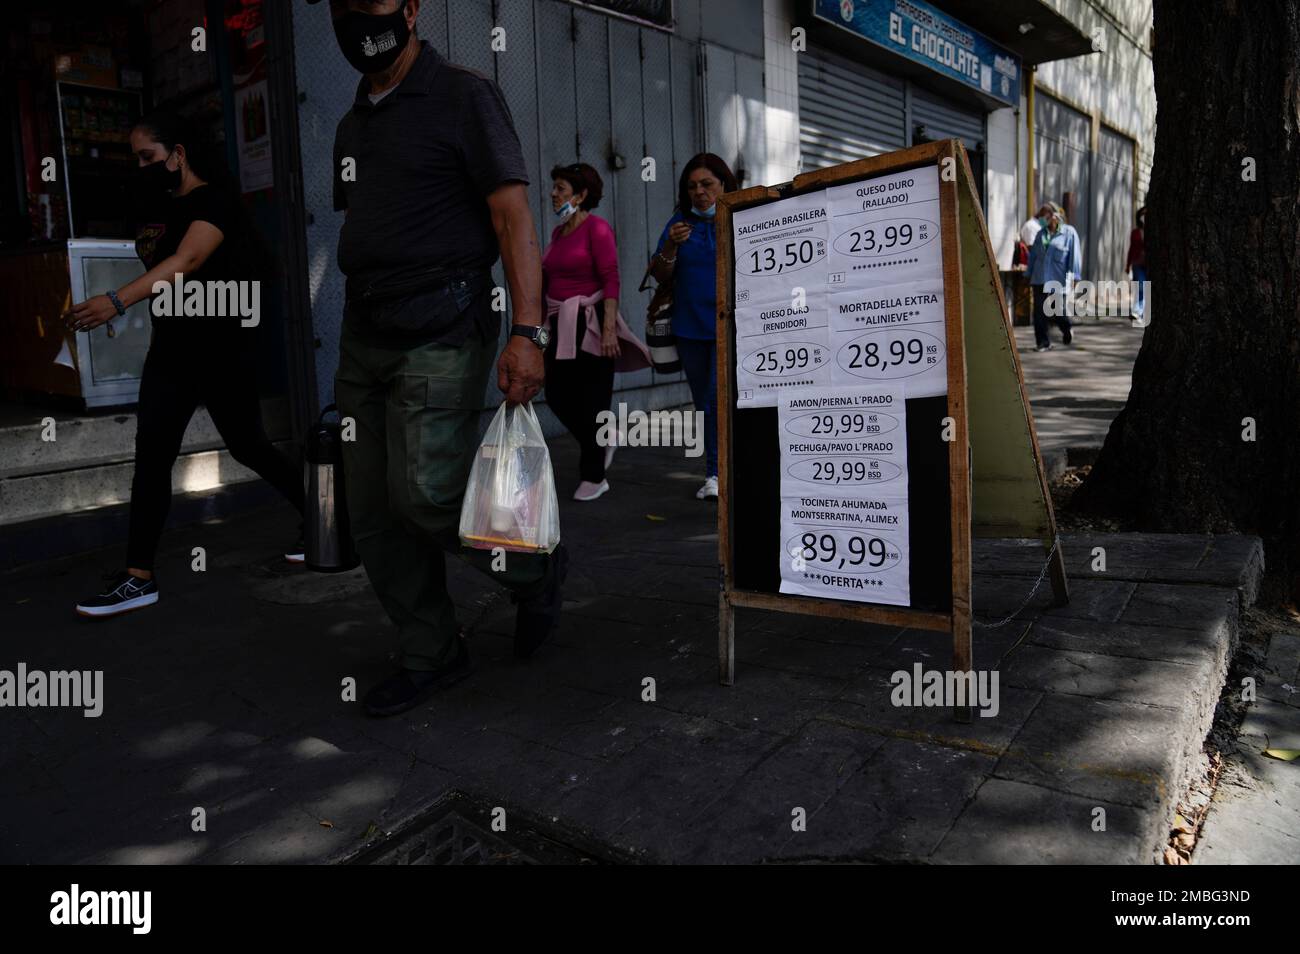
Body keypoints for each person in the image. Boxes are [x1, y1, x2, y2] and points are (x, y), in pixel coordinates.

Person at [314, 0, 566, 716]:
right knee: (372, 512)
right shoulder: (351, 125)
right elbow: (364, 222)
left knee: (425, 493)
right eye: (347, 5)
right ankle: (432, 650)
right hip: (366, 334)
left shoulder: (463, 95)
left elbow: (512, 215)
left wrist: (528, 331)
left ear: (414, 8)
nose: (363, 16)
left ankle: (534, 568)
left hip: (443, 323)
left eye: (378, 1)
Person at [70, 110, 305, 618]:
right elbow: (161, 267)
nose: (141, 166)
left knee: (249, 446)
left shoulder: (215, 201)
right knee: (152, 454)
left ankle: (327, 518)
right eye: (136, 158)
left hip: (219, 346)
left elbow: (188, 262)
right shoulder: (161, 204)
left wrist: (117, 301)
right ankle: (138, 577)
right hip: (172, 348)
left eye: (148, 156)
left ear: (179, 155)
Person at [541, 162, 650, 501]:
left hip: (592, 318)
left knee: (593, 397)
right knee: (557, 393)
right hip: (560, 321)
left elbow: (611, 278)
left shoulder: (598, 229)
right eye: (554, 187)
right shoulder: (559, 233)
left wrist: (607, 330)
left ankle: (594, 476)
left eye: (560, 188)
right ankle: (605, 438)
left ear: (581, 194)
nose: (553, 194)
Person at [649, 153, 737, 500]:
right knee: (703, 403)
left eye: (707, 184)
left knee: (719, 399)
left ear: (724, 185)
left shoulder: (739, 218)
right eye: (692, 186)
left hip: (729, 328)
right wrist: (671, 244)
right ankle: (718, 468)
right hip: (689, 329)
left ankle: (717, 473)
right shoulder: (679, 224)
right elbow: (658, 274)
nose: (699, 192)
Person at [1026, 201, 1082, 352]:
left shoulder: (1069, 233)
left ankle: (1066, 328)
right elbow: (1033, 257)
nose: (1043, 217)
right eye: (1043, 214)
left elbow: (1075, 255)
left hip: (1057, 279)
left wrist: (1076, 276)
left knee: (1057, 311)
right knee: (1039, 313)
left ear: (1056, 216)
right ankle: (1043, 343)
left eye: (1047, 214)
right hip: (1039, 279)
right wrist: (1028, 273)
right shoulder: (1040, 233)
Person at [1125, 205, 1147, 325]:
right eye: (1142, 215)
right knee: (1141, 286)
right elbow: (1131, 249)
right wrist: (1128, 265)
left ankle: (1142, 312)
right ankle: (1137, 311)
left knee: (1146, 288)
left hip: (1150, 265)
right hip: (1138, 264)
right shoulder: (1135, 232)